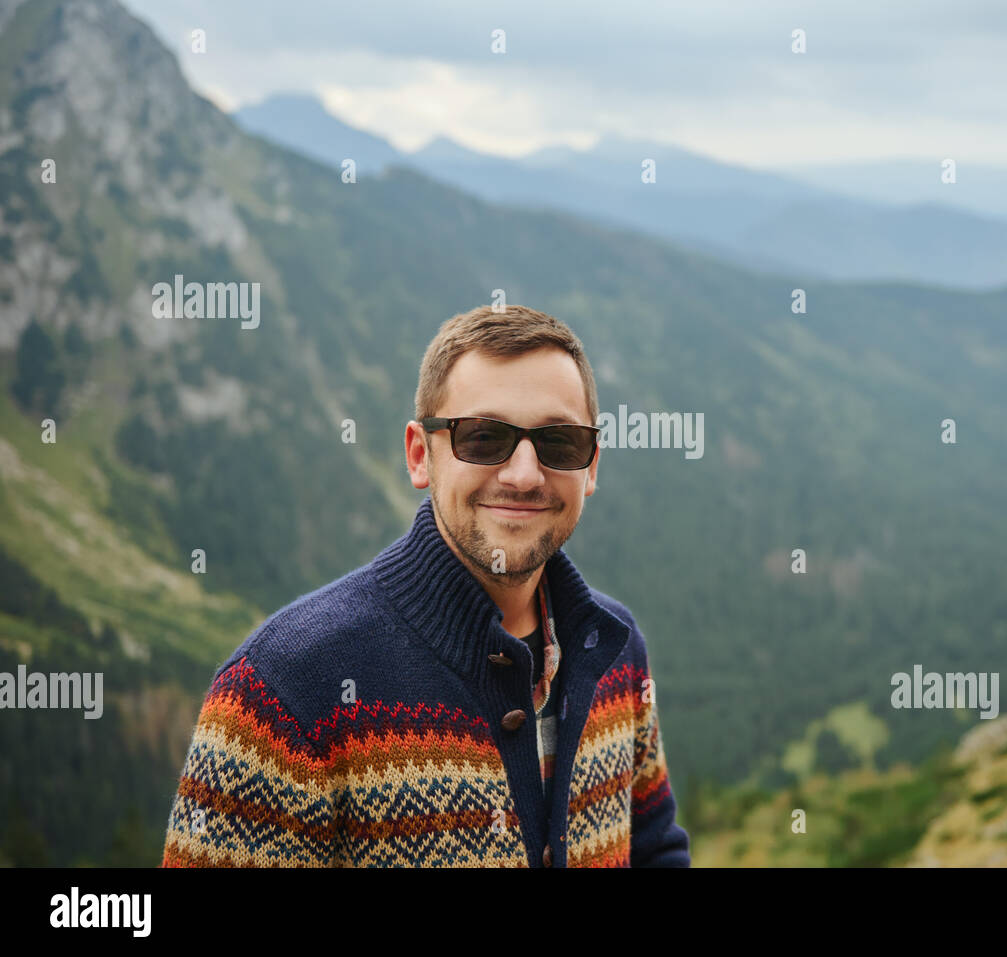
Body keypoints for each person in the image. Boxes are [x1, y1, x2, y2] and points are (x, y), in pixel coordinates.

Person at [160, 304, 690, 867]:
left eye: (559, 442)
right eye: (483, 438)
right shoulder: (282, 692)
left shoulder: (613, 648)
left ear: (591, 467)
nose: (524, 474)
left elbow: (654, 848)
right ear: (420, 456)